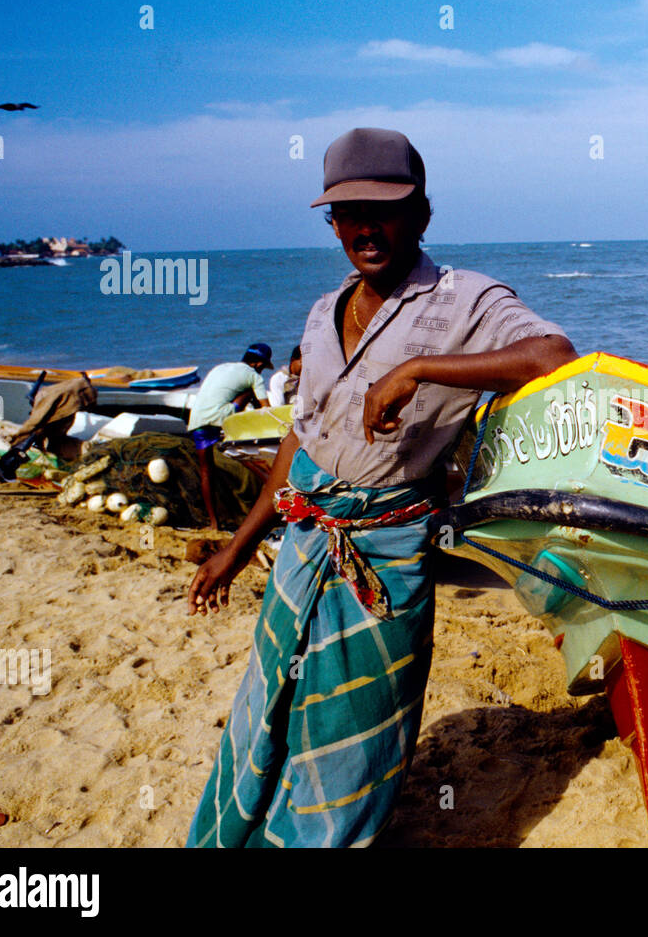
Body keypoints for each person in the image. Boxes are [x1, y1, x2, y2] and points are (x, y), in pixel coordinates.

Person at [185, 127, 577, 847]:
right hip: (304, 547)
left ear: (422, 215)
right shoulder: (323, 311)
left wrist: (422, 366)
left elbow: (552, 355)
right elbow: (301, 439)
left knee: (350, 742)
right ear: (331, 222)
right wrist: (239, 548)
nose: (366, 226)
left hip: (386, 560)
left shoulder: (466, 301)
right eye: (348, 212)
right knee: (268, 709)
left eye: (386, 208)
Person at [188, 344, 273, 529]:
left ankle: (214, 523)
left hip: (196, 421)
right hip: (221, 419)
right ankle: (272, 483)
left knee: (206, 471)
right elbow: (267, 409)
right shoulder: (254, 376)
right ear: (259, 364)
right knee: (243, 456)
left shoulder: (220, 367)